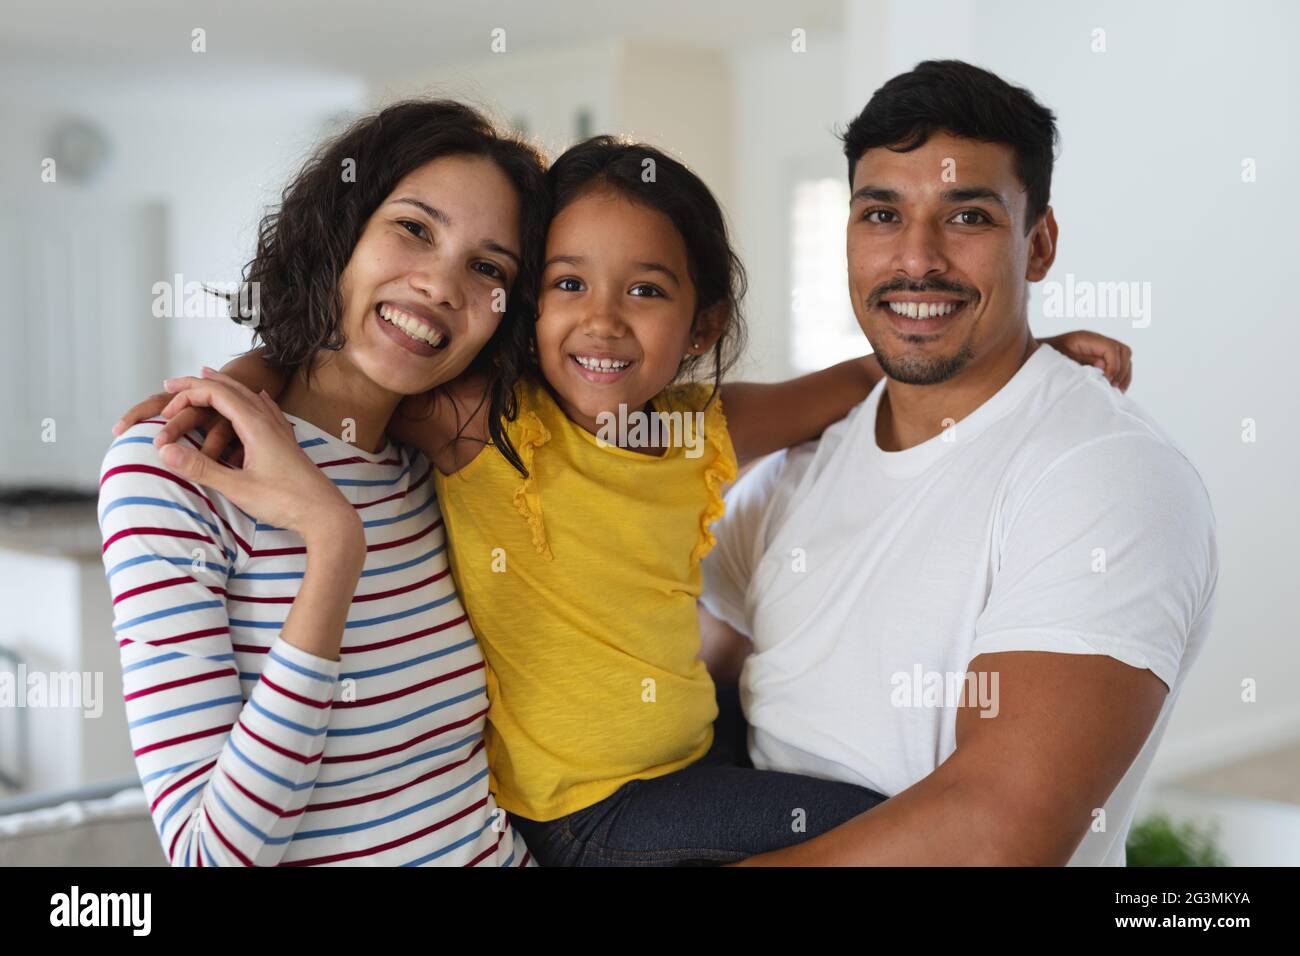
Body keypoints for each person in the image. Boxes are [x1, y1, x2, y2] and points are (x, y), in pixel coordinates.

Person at [118, 130, 1133, 864]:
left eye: (646, 289)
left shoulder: (679, 428)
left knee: (858, 759)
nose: (601, 319)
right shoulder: (478, 430)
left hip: (664, 758)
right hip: (590, 810)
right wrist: (231, 391)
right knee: (881, 828)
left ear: (701, 320)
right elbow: (342, 364)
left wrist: (1018, 348)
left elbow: (870, 375)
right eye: (565, 283)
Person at [698, 60, 1218, 866]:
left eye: (966, 216)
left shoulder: (1107, 475)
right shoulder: (801, 469)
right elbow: (677, 682)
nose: (916, 259)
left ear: (1037, 245)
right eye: (881, 214)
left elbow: (998, 832)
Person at [98, 99, 549, 865]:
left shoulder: (433, 468)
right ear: (342, 230)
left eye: (487, 267)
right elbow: (211, 855)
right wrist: (334, 545)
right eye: (414, 228)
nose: (442, 284)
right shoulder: (176, 470)